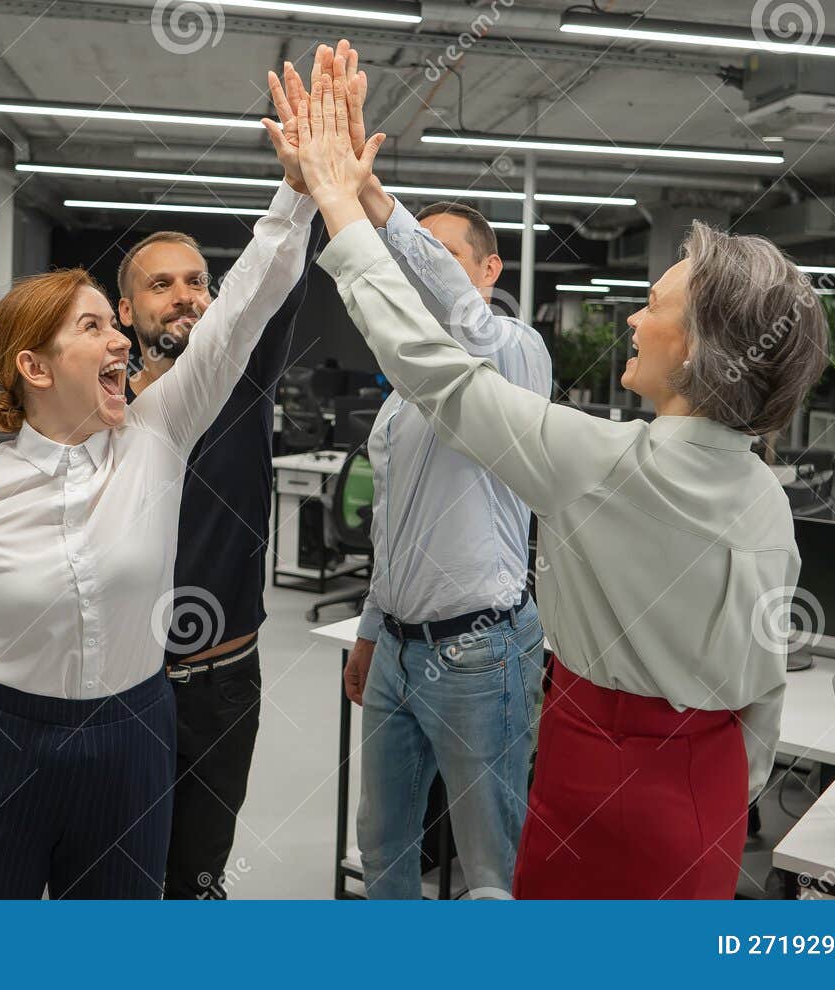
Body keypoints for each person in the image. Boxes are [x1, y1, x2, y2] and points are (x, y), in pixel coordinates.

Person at [292, 50, 828, 899]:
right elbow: (764, 698)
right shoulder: (766, 493)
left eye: (652, 304)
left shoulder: (601, 463)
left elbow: (435, 369)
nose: (633, 317)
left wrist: (339, 205)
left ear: (690, 349)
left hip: (592, 779)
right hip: (704, 794)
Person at [0, 116, 322, 899]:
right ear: (34, 366)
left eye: (115, 326)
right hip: (1, 742)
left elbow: (244, 306)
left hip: (131, 737)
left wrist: (298, 189)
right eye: (94, 327)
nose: (120, 343)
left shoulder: (159, 435)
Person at [269, 42, 550, 900]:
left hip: (482, 651)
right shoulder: (401, 399)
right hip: (396, 646)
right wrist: (367, 630)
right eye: (411, 253)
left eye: (442, 254)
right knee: (382, 849)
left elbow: (459, 318)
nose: (418, 267)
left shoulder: (513, 352)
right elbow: (395, 524)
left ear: (490, 271)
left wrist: (369, 202)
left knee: (490, 863)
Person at [115, 56, 324, 899]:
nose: (186, 297)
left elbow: (266, 284)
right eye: (160, 285)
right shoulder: (100, 418)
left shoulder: (242, 378)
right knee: (121, 880)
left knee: (197, 880)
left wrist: (302, 187)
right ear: (124, 311)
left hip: (224, 682)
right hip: (121, 684)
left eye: (198, 281)